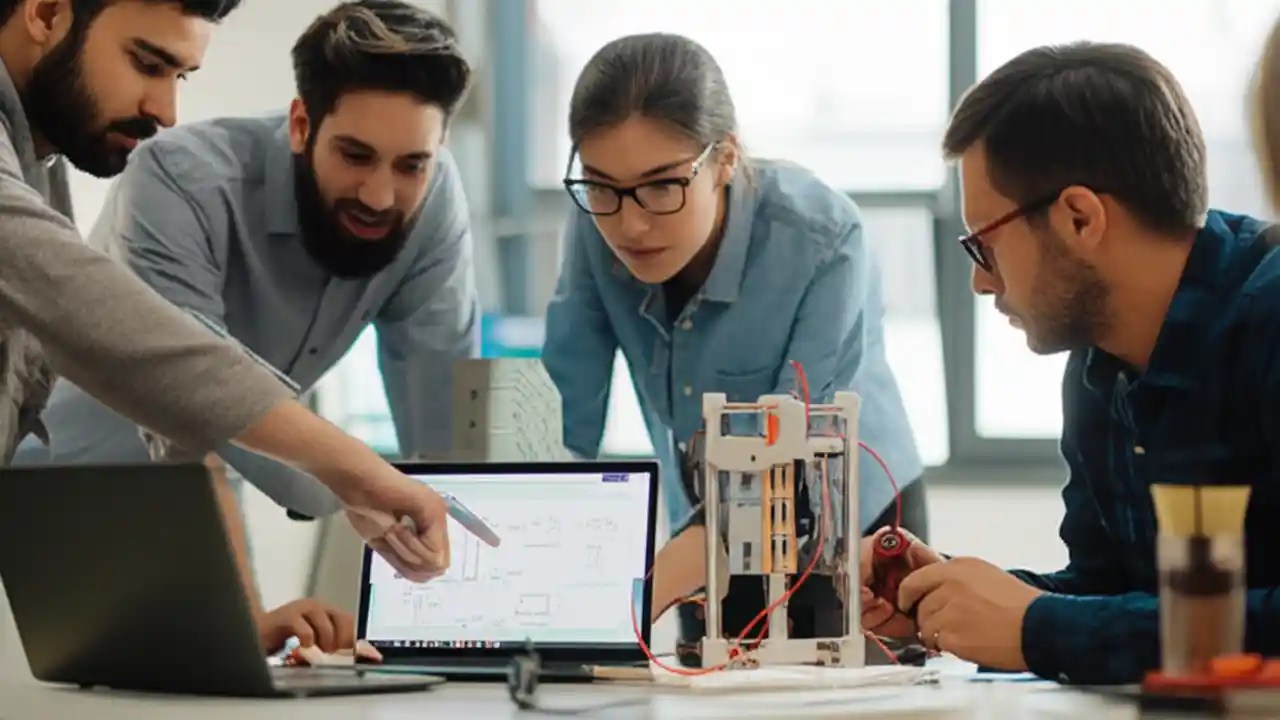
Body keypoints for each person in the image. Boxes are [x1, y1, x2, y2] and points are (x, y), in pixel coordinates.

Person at [17, 0, 478, 646]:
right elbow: (182, 393)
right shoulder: (175, 177)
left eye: (412, 165)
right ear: (300, 125)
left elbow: (445, 423)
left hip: (200, 514)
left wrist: (483, 625)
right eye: (353, 154)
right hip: (60, 513)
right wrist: (348, 480)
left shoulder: (433, 204)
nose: (380, 195)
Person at [859, 41, 1280, 685]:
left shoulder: (1269, 315)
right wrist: (943, 598)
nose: (979, 285)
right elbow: (1106, 594)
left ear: (1080, 217)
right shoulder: (1097, 363)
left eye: (983, 247)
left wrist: (1036, 628)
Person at [540, 32, 924, 659]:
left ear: (723, 160)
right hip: (702, 525)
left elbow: (787, 454)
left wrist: (633, 598)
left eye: (662, 185)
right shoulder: (594, 225)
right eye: (601, 185)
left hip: (843, 519)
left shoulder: (823, 237)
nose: (629, 223)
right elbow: (562, 415)